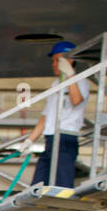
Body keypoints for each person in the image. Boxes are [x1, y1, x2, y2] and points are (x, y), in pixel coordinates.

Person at [23, 41, 88, 189]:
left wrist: (70, 74)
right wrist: (29, 141)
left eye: (57, 60)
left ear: (69, 60)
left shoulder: (80, 80)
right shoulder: (55, 85)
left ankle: (61, 209)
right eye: (53, 61)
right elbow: (46, 116)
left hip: (65, 138)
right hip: (51, 140)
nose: (54, 64)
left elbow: (76, 100)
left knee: (61, 185)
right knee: (38, 185)